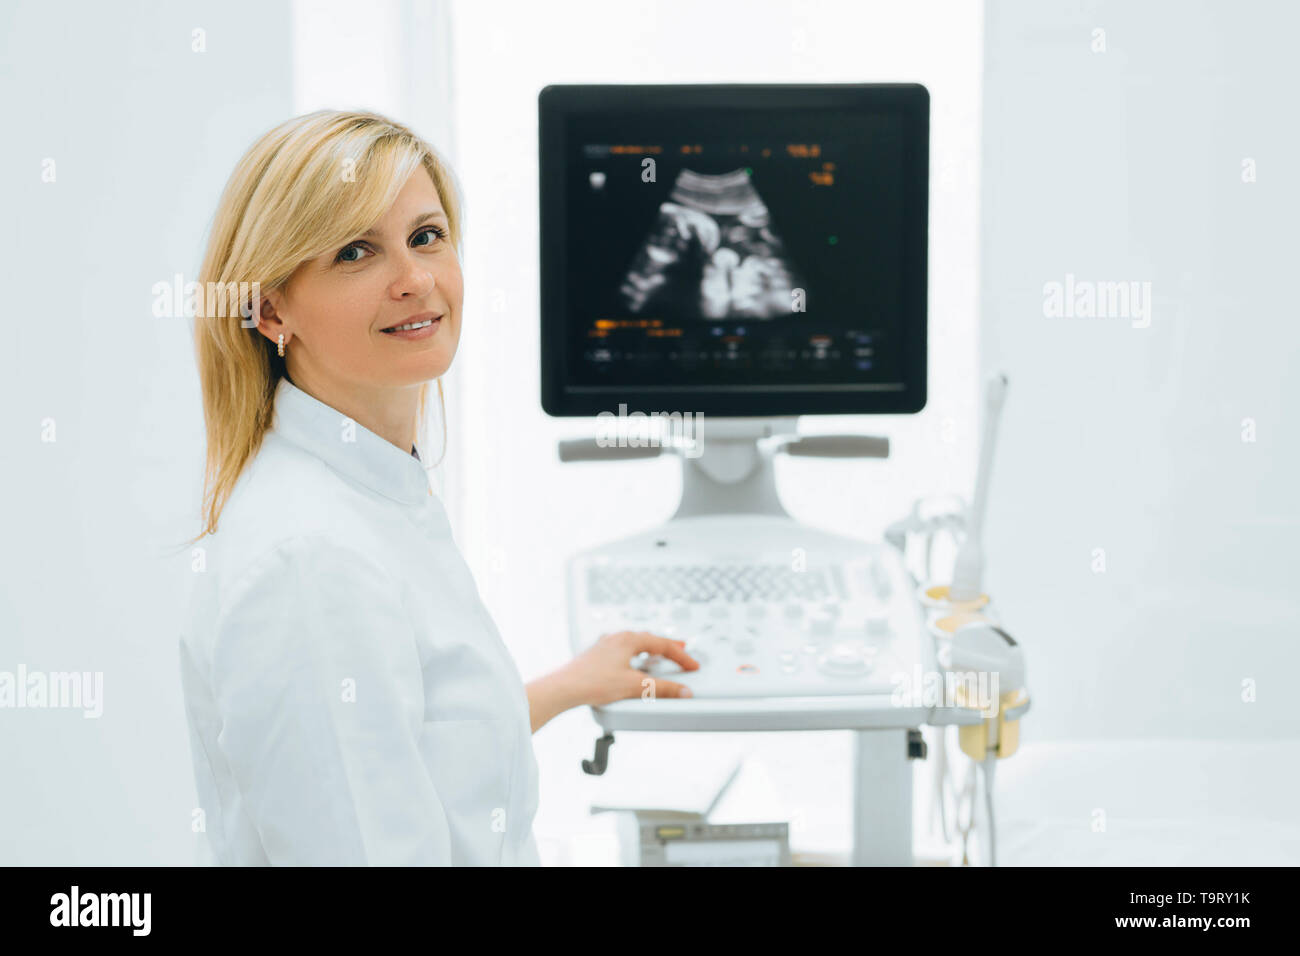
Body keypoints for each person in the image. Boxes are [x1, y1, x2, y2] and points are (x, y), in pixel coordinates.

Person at [181, 109, 697, 866]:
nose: (416, 280)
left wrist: (565, 685)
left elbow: (396, 748)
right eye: (356, 252)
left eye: (426, 236)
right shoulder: (312, 560)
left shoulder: (374, 489)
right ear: (269, 308)